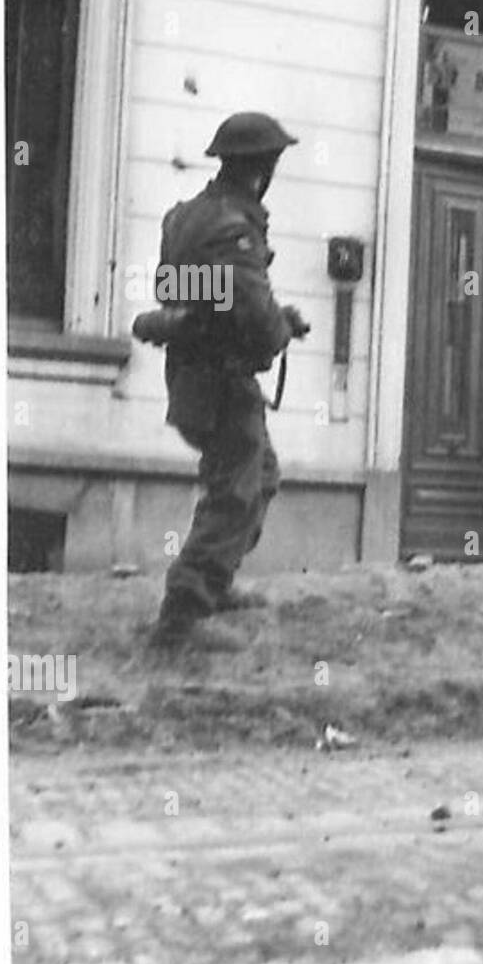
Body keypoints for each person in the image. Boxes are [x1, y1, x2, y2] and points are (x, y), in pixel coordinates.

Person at [145, 111, 310, 648]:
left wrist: (255, 311)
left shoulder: (186, 216)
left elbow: (179, 290)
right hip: (222, 381)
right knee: (236, 493)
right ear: (263, 167)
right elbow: (261, 331)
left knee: (257, 475)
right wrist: (279, 323)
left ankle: (213, 584)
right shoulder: (233, 229)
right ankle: (182, 616)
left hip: (194, 373)